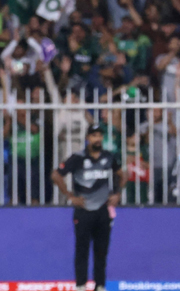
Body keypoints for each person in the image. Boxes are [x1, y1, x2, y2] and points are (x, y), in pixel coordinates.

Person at [51, 125, 126, 291]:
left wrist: (117, 194)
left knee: (101, 251)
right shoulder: (78, 158)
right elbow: (56, 175)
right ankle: (81, 286)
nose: (97, 139)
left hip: (102, 211)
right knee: (82, 249)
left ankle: (100, 286)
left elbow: (122, 175)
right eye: (94, 136)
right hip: (84, 210)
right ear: (87, 138)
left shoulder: (108, 157)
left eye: (99, 135)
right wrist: (70, 196)